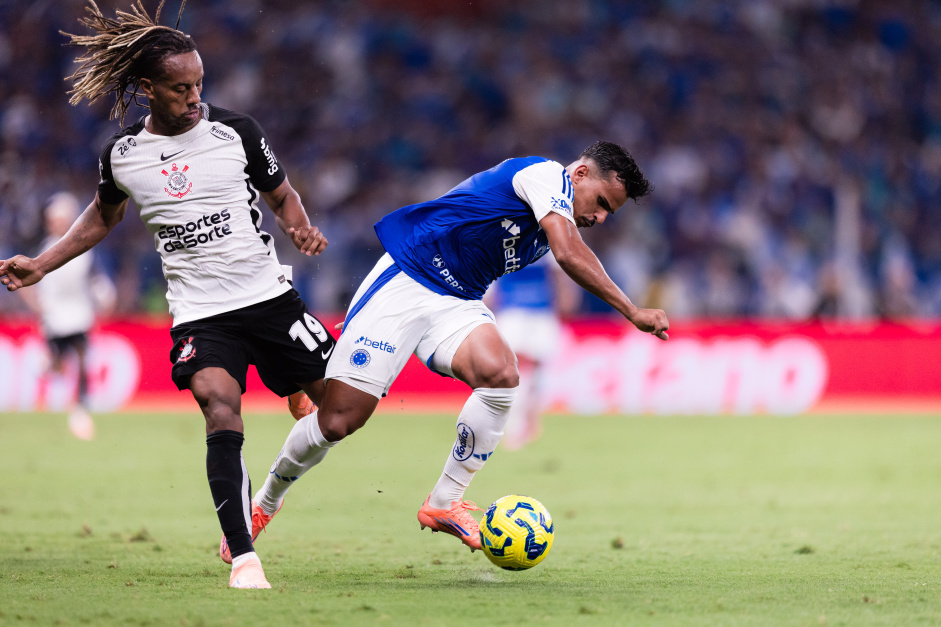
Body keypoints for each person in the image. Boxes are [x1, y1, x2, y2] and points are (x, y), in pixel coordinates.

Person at [0, 0, 332, 589]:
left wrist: (298, 226)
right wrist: (42, 266)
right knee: (218, 406)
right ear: (148, 88)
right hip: (201, 313)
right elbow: (101, 219)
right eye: (180, 88)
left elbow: (282, 194)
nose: (194, 96)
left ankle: (290, 401)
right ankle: (243, 552)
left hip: (267, 296)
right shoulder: (122, 156)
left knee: (336, 407)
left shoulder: (238, 132)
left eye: (199, 83)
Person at [242, 140, 670, 557]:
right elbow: (568, 253)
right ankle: (264, 500)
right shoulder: (544, 176)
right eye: (600, 202)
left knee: (501, 375)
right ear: (579, 174)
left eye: (607, 212)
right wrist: (631, 310)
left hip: (459, 300)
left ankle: (445, 501)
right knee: (338, 421)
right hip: (408, 279)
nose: (599, 216)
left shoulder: (559, 218)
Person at [18, 192, 115, 441]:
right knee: (59, 364)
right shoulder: (42, 250)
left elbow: (95, 278)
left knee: (83, 358)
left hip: (79, 314)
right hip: (54, 317)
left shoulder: (82, 249)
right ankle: (49, 367)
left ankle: (82, 406)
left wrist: (104, 295)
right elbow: (27, 282)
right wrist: (35, 304)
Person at [486, 254, 579, 450]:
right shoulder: (501, 238)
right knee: (516, 369)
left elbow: (559, 273)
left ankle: (529, 417)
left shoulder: (547, 242)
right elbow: (490, 279)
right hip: (512, 313)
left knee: (539, 371)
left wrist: (566, 297)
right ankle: (515, 426)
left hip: (541, 313)